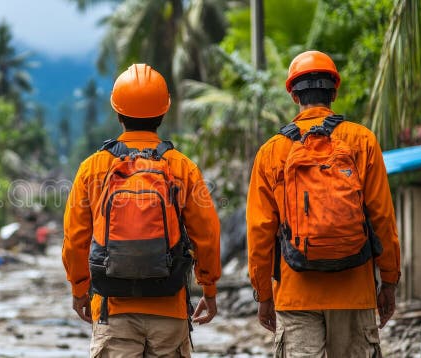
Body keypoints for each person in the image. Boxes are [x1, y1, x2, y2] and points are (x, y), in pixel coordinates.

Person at [246, 50, 401, 357]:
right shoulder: (362, 141)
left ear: (294, 95)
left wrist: (264, 295)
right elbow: (382, 217)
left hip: (295, 292)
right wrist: (389, 282)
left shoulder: (272, 151)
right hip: (354, 290)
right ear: (334, 92)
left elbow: (260, 231)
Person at [62, 63, 221, 357]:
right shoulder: (181, 166)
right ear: (163, 112)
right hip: (170, 307)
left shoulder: (93, 167)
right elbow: (207, 234)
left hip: (113, 307)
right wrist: (208, 289)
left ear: (117, 112)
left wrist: (79, 289)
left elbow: (75, 239)